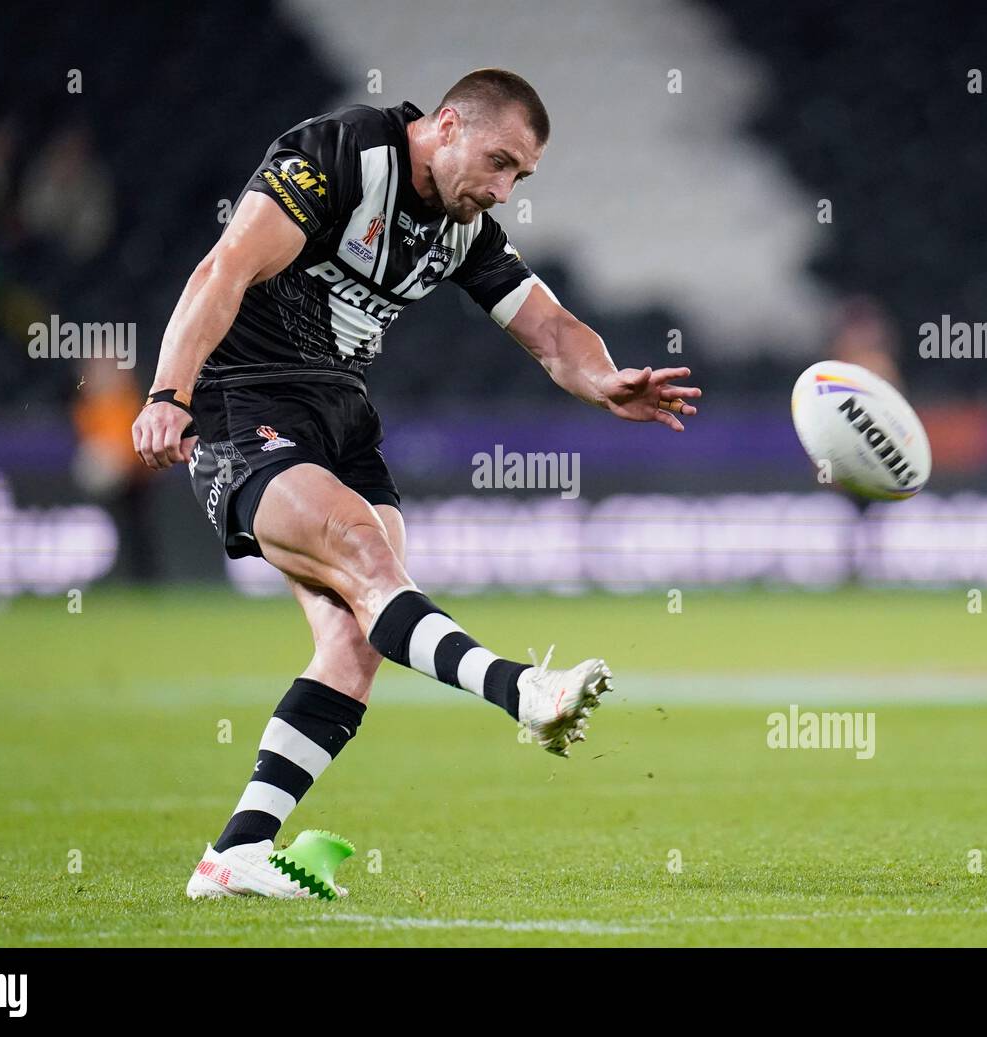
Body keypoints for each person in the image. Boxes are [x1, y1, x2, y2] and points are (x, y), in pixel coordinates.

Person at [130, 69, 701, 899]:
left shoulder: (465, 225)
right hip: (242, 399)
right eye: (499, 161)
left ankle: (233, 855)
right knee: (366, 555)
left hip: (342, 418)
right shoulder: (338, 158)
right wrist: (166, 393)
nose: (503, 189)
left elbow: (548, 328)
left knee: (360, 637)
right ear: (445, 126)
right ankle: (524, 691)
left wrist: (607, 378)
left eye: (521, 178)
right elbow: (222, 271)